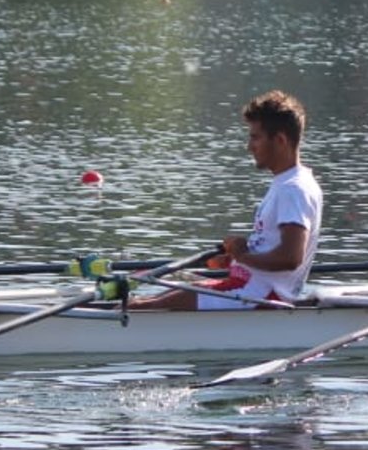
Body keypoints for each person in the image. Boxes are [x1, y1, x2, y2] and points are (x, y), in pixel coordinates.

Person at [137, 90, 322, 311]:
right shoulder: (288, 182)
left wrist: (243, 256)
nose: (249, 146)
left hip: (260, 296)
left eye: (255, 137)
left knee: (144, 307)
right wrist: (237, 258)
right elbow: (273, 248)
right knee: (162, 295)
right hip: (249, 288)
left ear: (280, 140)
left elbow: (290, 257)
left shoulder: (293, 188)